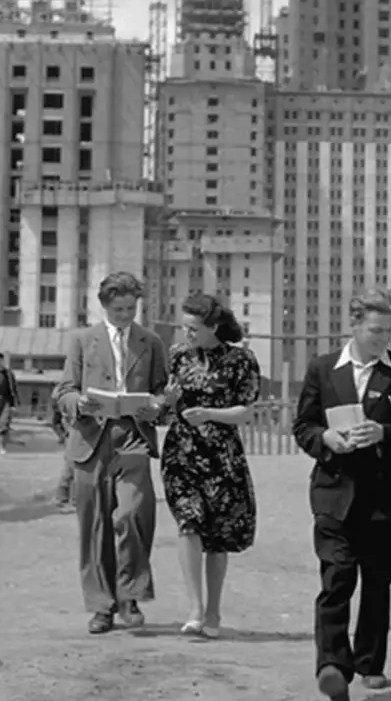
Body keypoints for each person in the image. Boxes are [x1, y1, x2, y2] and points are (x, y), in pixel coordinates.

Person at [293, 286, 391, 701]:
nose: (381, 339)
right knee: (337, 576)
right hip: (334, 493)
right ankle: (332, 665)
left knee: (378, 580)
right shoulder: (321, 369)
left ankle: (370, 662)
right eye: (374, 330)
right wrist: (326, 438)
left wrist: (382, 433)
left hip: (386, 495)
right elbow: (303, 426)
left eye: (388, 331)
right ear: (353, 325)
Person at [54, 271, 168, 635]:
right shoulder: (82, 340)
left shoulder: (150, 342)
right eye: (119, 308)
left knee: (133, 512)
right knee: (95, 524)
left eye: (131, 308)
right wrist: (80, 404)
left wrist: (158, 407)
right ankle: (102, 605)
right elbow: (63, 391)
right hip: (91, 439)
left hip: (133, 437)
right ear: (104, 306)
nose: (125, 315)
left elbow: (162, 391)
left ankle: (130, 594)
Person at [163, 294, 260, 639]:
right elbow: (163, 407)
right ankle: (194, 609)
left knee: (217, 536)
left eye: (193, 328)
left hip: (222, 456)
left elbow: (246, 411)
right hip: (182, 453)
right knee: (188, 523)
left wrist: (210, 414)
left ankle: (214, 610)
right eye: (183, 327)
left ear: (213, 327)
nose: (186, 334)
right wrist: (168, 402)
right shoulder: (176, 356)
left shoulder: (241, 360)